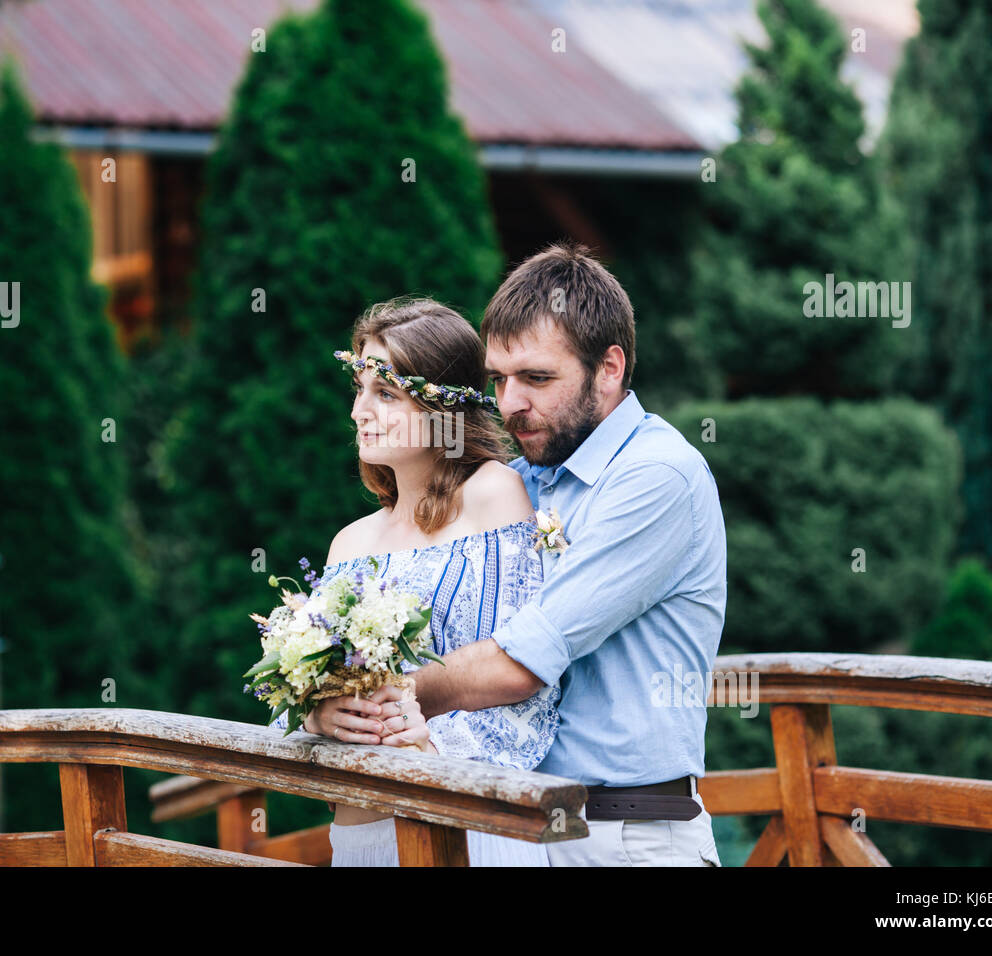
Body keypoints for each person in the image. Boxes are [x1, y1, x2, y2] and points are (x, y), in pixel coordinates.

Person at [310, 242, 728, 866]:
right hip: (530, 827)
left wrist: (378, 695)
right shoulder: (524, 479)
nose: (509, 404)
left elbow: (519, 663)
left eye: (536, 378)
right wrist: (323, 704)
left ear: (609, 368)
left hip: (630, 834)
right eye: (499, 379)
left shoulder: (656, 477)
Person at [270, 295, 559, 866]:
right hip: (357, 835)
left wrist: (422, 740)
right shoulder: (348, 543)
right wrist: (315, 713)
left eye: (385, 394)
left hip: (462, 824)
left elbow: (526, 677)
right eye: (358, 391)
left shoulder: (492, 494)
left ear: (443, 407)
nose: (359, 411)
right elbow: (293, 695)